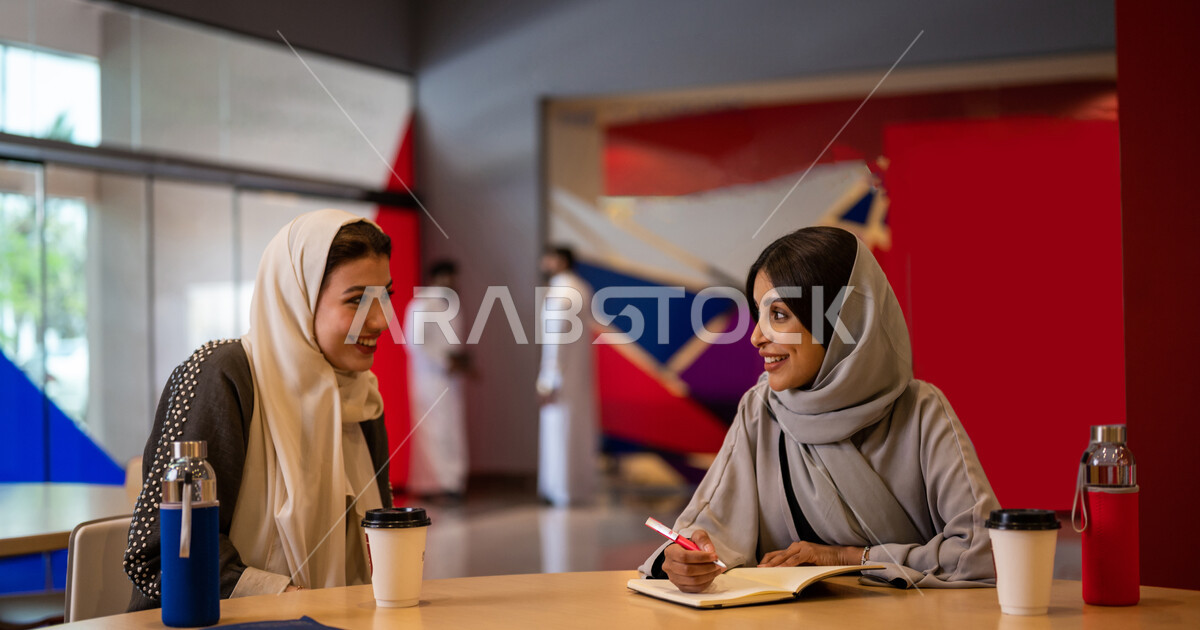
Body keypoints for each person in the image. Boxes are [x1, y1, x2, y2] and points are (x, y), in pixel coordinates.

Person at [637, 226, 1000, 591]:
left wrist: (849, 557)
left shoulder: (922, 412)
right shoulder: (761, 410)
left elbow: (984, 551)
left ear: (842, 320)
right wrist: (684, 560)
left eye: (778, 315)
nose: (756, 337)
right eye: (759, 315)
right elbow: (707, 528)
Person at [124, 210, 395, 608]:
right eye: (357, 301)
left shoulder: (359, 397)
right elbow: (161, 552)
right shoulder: (224, 374)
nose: (380, 320)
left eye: (386, 296)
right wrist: (289, 600)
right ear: (296, 297)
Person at [536, 246, 599, 507]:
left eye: (547, 258)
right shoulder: (582, 288)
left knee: (559, 430)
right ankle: (577, 487)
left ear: (560, 261)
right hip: (578, 374)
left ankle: (560, 489)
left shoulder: (560, 293)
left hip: (561, 375)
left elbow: (556, 340)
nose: (543, 263)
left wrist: (548, 379)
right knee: (575, 429)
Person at [405, 259, 469, 501]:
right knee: (434, 431)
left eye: (452, 277)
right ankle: (435, 485)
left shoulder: (452, 304)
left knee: (451, 430)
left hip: (449, 379)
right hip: (429, 378)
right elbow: (415, 343)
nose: (450, 282)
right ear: (434, 278)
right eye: (445, 277)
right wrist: (444, 361)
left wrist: (459, 362)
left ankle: (453, 482)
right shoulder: (422, 304)